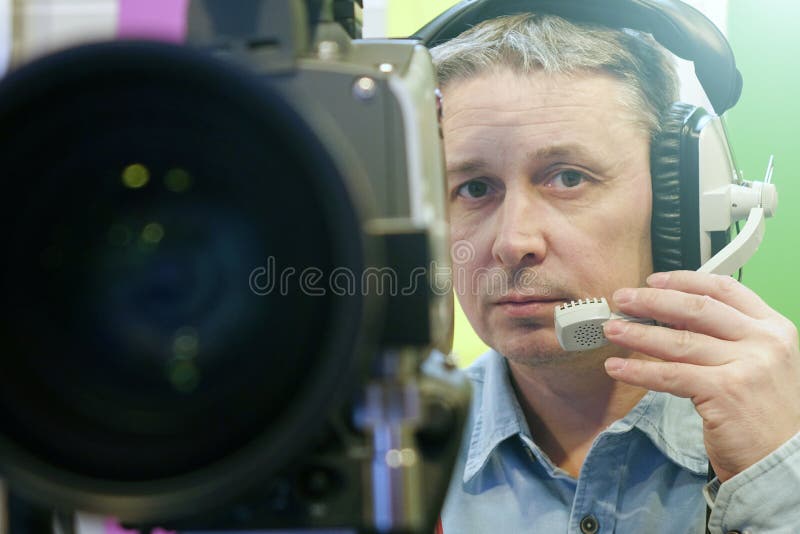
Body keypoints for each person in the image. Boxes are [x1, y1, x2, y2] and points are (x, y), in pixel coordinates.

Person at [429, 13, 800, 533]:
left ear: (681, 200)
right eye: (474, 189)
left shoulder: (785, 440)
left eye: (568, 178)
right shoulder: (381, 452)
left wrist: (779, 485)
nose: (513, 242)